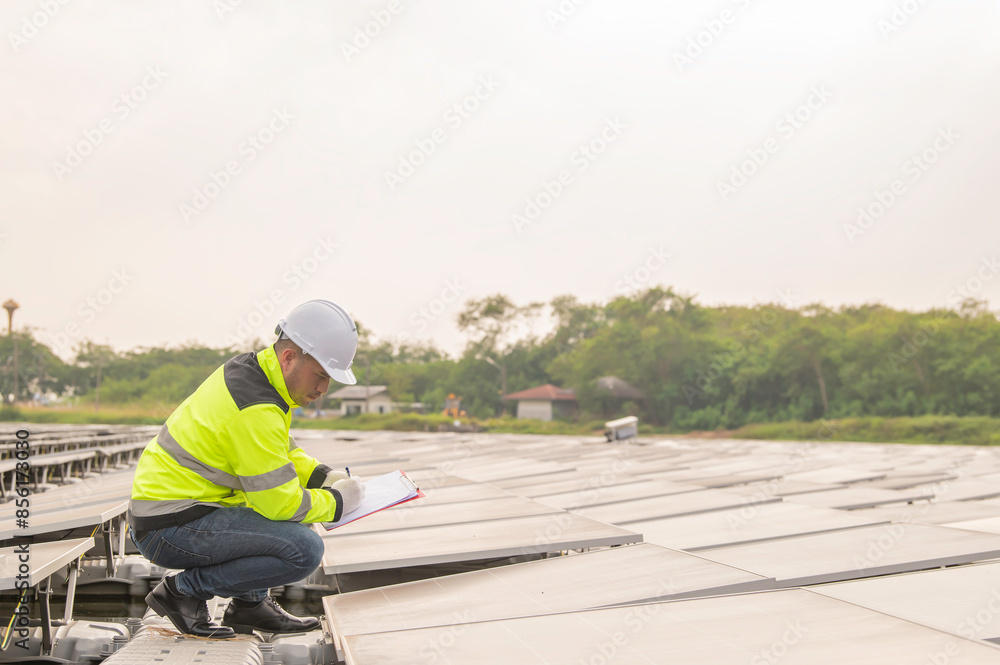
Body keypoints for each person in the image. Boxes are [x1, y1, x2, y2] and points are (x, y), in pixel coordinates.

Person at [127, 299, 367, 638]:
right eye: (321, 375)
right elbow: (282, 504)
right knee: (303, 549)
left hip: (178, 511)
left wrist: (323, 477)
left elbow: (279, 452)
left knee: (290, 528)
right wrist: (338, 503)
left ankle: (249, 606)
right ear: (289, 357)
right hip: (169, 526)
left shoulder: (256, 374)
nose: (323, 389)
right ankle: (183, 592)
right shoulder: (255, 407)